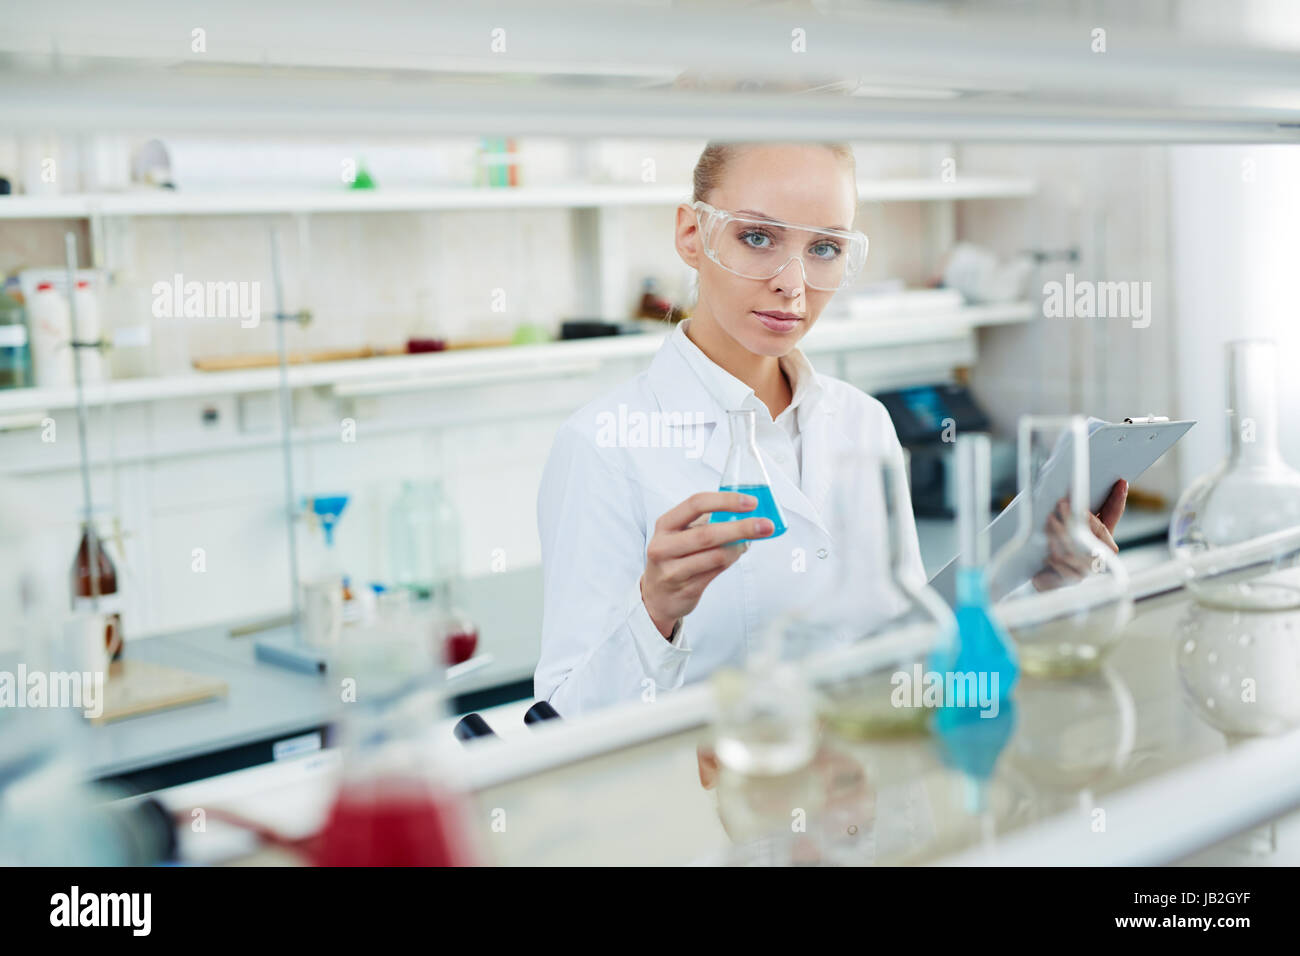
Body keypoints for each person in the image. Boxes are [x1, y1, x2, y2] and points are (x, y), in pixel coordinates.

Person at [534, 141, 1126, 717]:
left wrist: (1039, 579)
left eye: (824, 247)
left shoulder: (863, 422)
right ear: (692, 234)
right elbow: (562, 723)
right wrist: (655, 611)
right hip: (711, 807)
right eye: (758, 237)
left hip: (861, 795)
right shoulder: (605, 444)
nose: (793, 284)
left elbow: (912, 649)